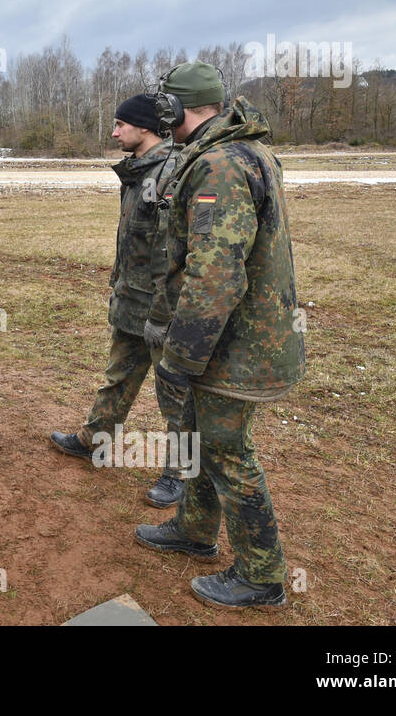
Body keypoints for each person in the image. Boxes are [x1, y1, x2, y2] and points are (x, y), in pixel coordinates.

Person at [134, 61, 304, 610]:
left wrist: (181, 355)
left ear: (177, 109)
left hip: (234, 344)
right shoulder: (237, 150)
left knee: (226, 449)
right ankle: (195, 530)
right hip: (230, 339)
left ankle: (262, 576)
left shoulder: (221, 165)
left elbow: (216, 273)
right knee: (199, 438)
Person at [50, 93, 188, 508]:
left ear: (144, 127)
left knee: (177, 396)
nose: (114, 132)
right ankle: (95, 439)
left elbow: (175, 251)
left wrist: (166, 311)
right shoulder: (139, 171)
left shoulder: (170, 172)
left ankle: (179, 474)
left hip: (164, 307)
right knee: (119, 375)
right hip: (132, 298)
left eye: (120, 125)